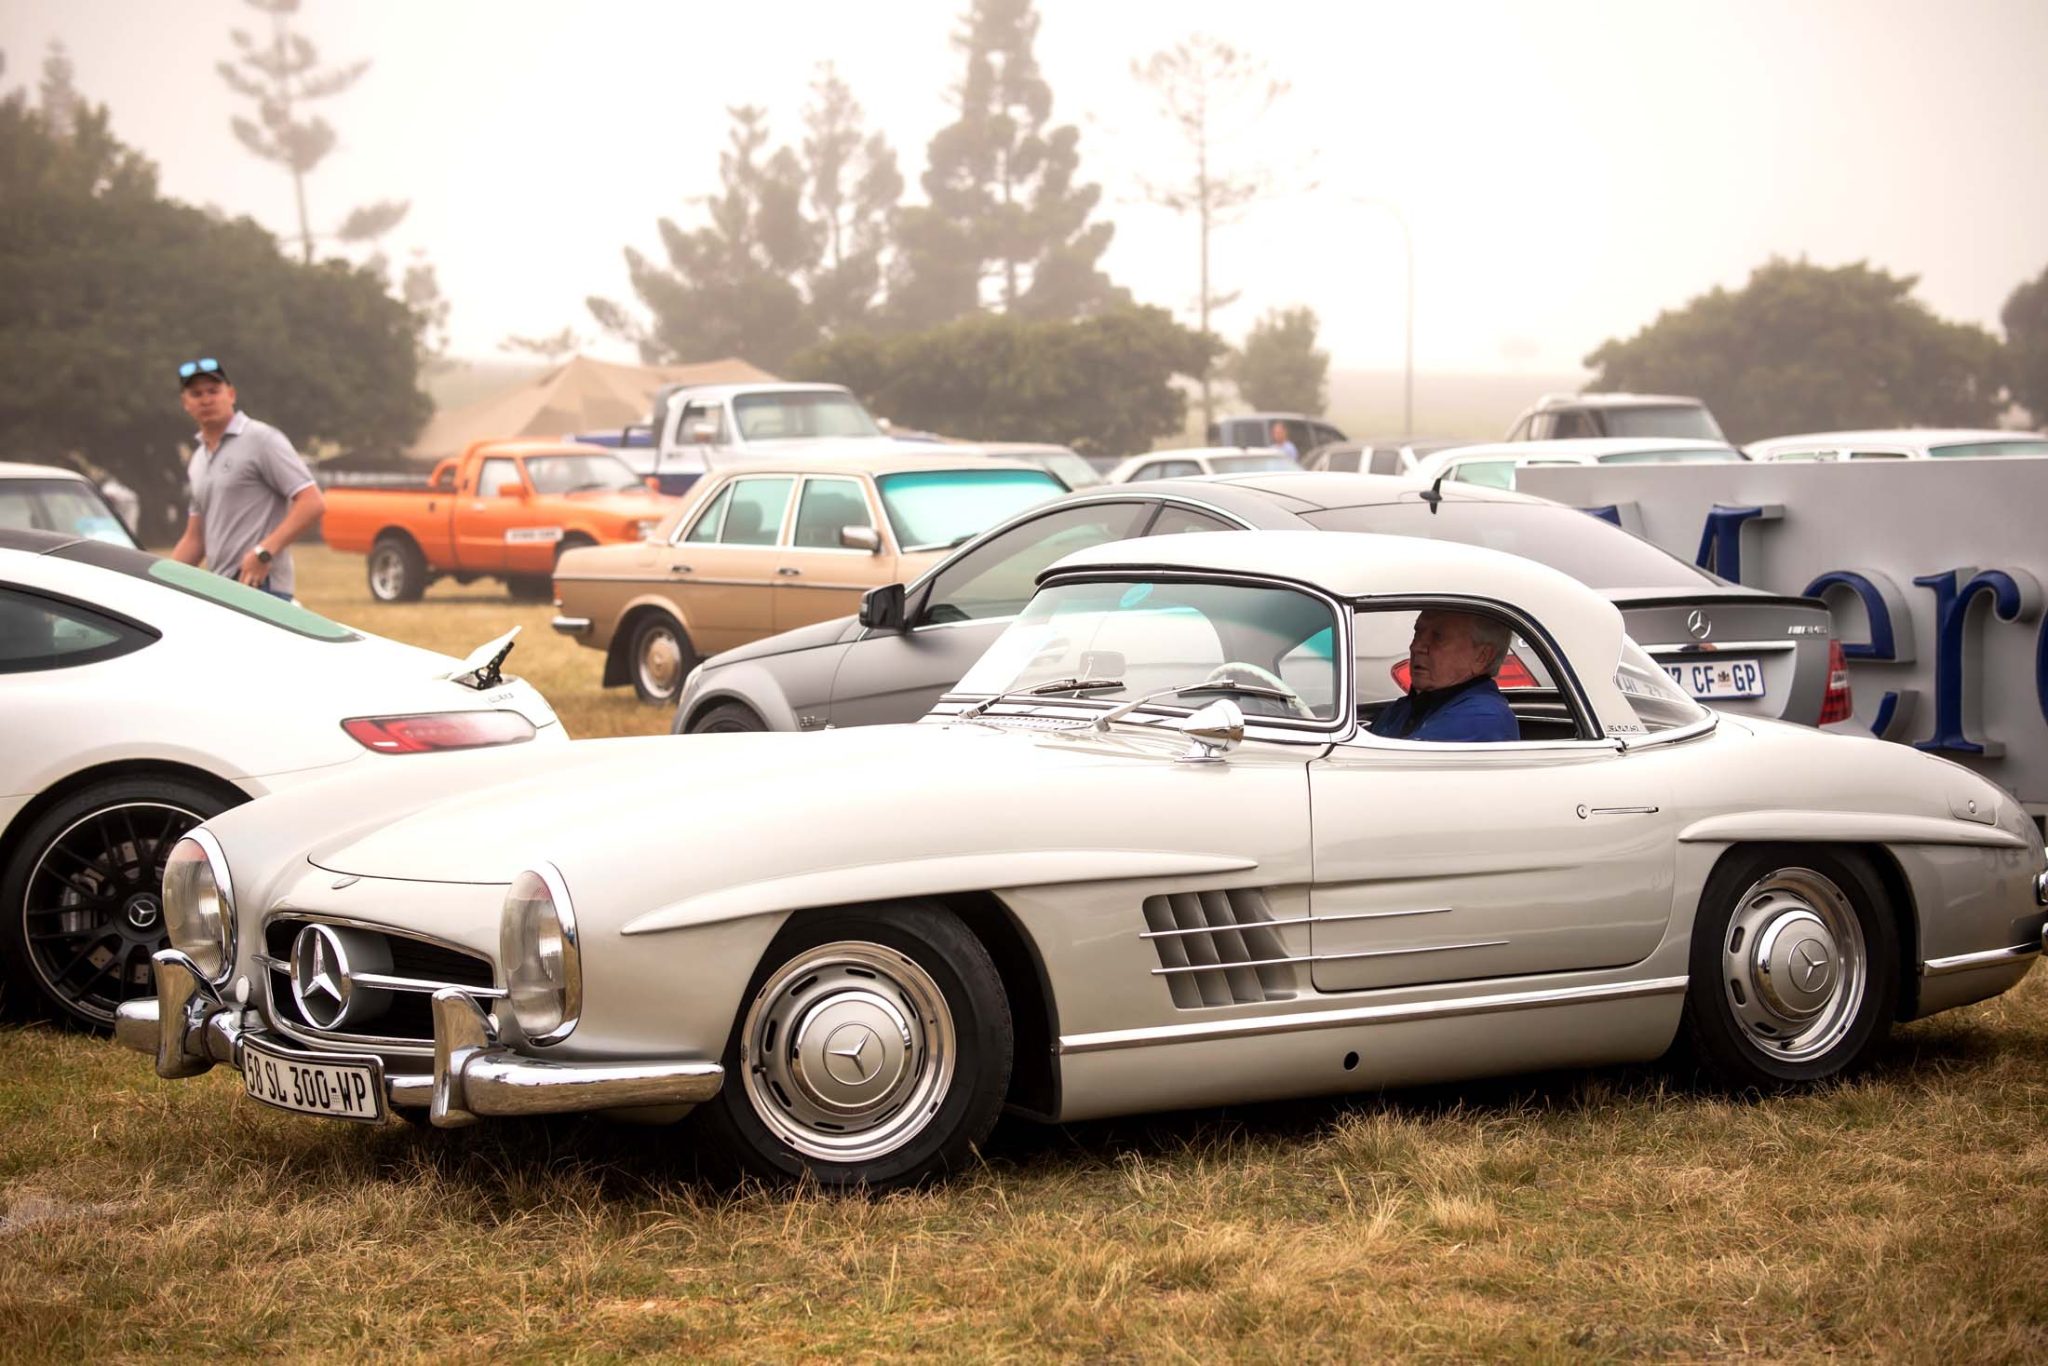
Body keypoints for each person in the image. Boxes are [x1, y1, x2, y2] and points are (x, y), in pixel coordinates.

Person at [168, 359, 324, 601]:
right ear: (185, 403)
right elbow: (195, 538)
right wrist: (160, 580)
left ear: (231, 394)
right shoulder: (198, 459)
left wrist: (264, 552)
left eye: (213, 391)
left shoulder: (262, 439)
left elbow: (312, 502)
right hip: (220, 588)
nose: (206, 399)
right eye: (196, 394)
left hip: (261, 585)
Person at [1369, 608, 1519, 742]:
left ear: (1482, 656)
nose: (1416, 646)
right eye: (1417, 633)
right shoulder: (1403, 708)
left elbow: (1396, 767)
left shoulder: (1484, 717)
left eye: (1438, 637)